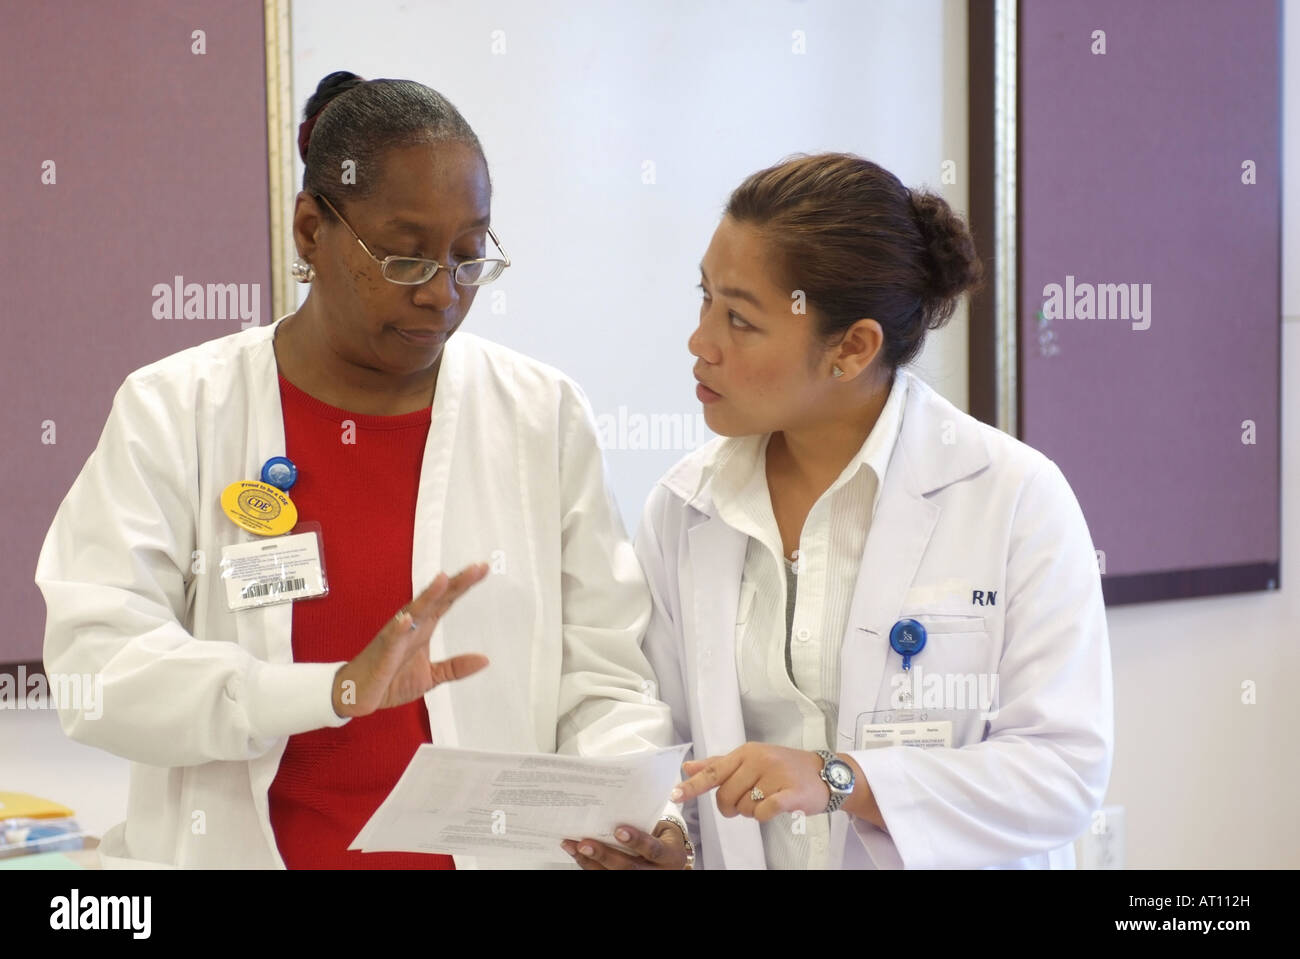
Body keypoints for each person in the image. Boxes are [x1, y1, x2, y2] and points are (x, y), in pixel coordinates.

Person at [35, 72, 685, 869]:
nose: (442, 295)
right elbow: (97, 670)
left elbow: (605, 679)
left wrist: (636, 817)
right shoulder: (178, 409)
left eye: (469, 256)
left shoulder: (539, 415)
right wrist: (330, 691)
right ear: (311, 230)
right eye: (406, 260)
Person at [565, 153, 1112, 870]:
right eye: (705, 299)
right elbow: (664, 739)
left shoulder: (1011, 497)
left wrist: (841, 778)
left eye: (739, 319)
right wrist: (670, 838)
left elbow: (1061, 776)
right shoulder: (685, 506)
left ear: (851, 348)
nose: (701, 343)